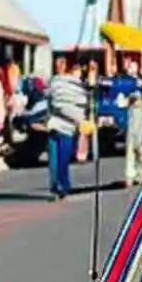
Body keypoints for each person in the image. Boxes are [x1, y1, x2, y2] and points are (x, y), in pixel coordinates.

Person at [44, 56, 89, 201]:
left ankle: (62, 186)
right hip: (56, 126)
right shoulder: (55, 82)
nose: (58, 67)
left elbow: (79, 103)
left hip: (65, 127)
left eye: (60, 64)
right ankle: (58, 186)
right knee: (54, 160)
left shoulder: (72, 85)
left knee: (61, 159)